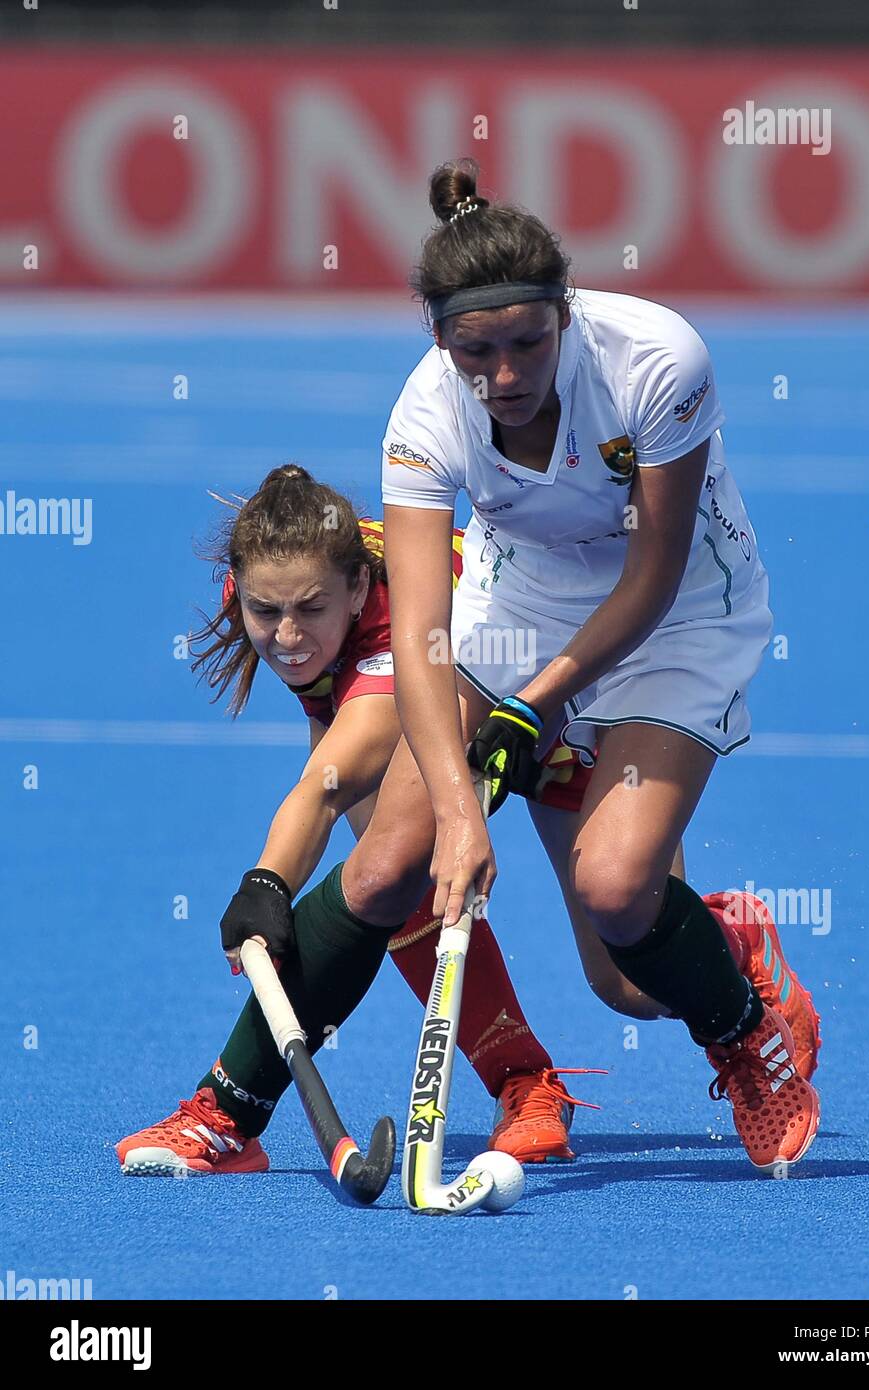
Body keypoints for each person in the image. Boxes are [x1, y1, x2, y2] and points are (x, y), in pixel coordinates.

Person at [234, 158, 821, 1174]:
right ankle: (226, 1112)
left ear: (565, 314)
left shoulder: (655, 361)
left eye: (525, 344)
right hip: (514, 604)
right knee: (388, 865)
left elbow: (653, 572)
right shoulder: (424, 415)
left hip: (676, 613)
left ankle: (744, 1032)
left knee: (615, 889)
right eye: (475, 353)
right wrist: (461, 811)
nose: (503, 376)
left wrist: (532, 708)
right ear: (439, 341)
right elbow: (420, 633)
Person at [115, 468, 602, 1175]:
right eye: (264, 611)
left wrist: (267, 884)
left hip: (560, 701)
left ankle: (732, 946)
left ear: (354, 588)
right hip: (447, 692)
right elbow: (326, 726)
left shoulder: (391, 628)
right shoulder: (278, 587)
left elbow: (323, 787)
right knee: (386, 878)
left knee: (627, 973)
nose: (285, 635)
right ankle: (522, 1086)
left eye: (310, 610)